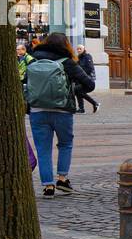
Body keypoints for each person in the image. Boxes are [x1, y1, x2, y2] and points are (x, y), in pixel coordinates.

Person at [23, 32, 94, 198]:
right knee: (65, 144)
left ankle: (48, 186)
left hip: (37, 111)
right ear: (66, 45)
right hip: (63, 110)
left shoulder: (33, 60)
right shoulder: (68, 62)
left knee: (43, 149)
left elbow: (25, 83)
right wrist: (72, 89)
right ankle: (62, 178)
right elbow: (89, 85)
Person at [74, 44, 100, 114]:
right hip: (81, 80)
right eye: (78, 49)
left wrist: (81, 74)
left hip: (88, 80)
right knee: (78, 91)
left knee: (78, 90)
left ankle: (94, 103)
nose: (78, 50)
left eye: (80, 49)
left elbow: (89, 68)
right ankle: (82, 109)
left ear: (84, 49)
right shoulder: (78, 58)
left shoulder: (87, 57)